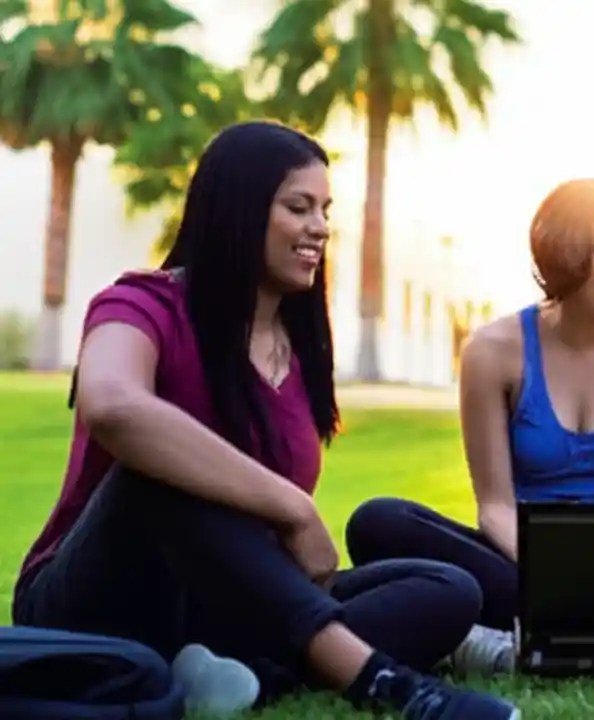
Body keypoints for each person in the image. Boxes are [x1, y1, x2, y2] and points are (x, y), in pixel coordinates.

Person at [10, 121, 518, 720]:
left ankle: (232, 673)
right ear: (239, 210)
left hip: (222, 604)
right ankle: (391, 686)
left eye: (325, 210)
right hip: (96, 599)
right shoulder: (140, 306)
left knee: (447, 588)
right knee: (163, 468)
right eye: (298, 207)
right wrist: (293, 507)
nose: (320, 228)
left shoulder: (298, 351)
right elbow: (114, 406)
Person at [345, 178, 594, 675]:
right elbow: (495, 508)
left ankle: (534, 642)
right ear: (565, 253)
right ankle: (588, 638)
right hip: (522, 561)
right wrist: (557, 573)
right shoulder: (493, 350)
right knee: (379, 521)